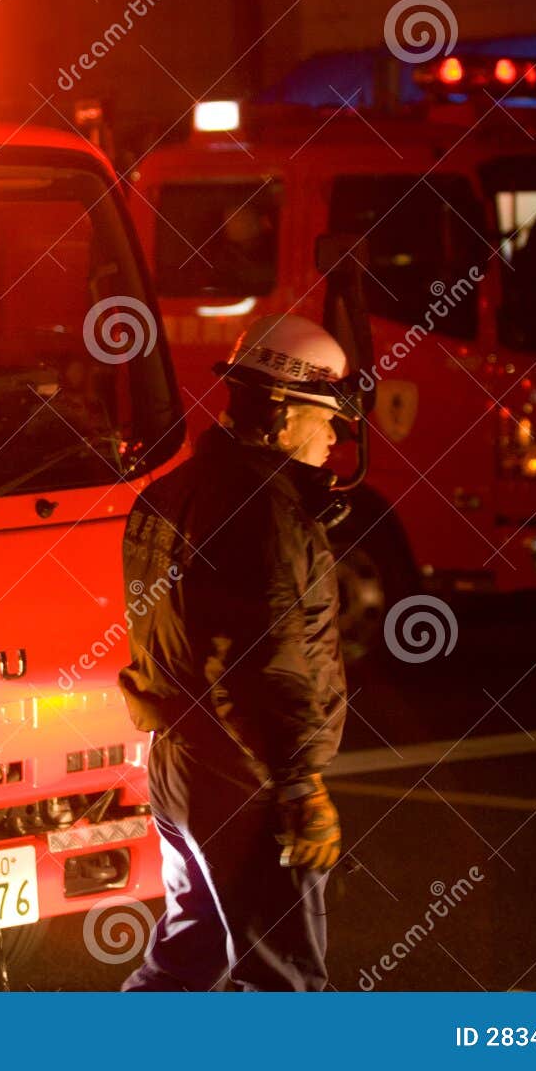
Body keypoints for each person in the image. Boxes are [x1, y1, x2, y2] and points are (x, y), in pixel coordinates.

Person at [118, 312, 355, 992]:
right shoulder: (262, 510)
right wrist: (300, 784)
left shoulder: (171, 490)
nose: (334, 434)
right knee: (282, 977)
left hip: (178, 764)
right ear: (280, 416)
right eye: (324, 416)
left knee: (191, 956)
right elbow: (260, 661)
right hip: (242, 774)